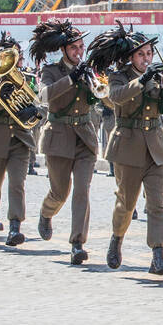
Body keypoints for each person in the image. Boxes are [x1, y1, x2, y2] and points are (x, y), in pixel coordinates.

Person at [89, 24, 163, 275]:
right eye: (141, 54)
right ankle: (116, 239)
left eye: (150, 53)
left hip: (155, 146)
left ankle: (158, 256)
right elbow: (117, 97)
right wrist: (142, 81)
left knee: (157, 204)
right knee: (126, 203)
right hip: (128, 145)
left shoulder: (158, 74)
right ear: (130, 57)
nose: (147, 58)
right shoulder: (119, 76)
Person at [32, 20, 99, 265]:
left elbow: (102, 96)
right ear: (63, 50)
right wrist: (71, 78)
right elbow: (44, 95)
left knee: (82, 191)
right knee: (60, 193)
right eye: (74, 48)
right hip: (58, 137)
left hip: (84, 138)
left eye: (81, 47)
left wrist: (94, 83)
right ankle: (45, 213)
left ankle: (77, 243)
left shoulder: (87, 69)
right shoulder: (51, 71)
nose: (79, 52)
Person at [0, 35, 41, 247]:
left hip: (19, 138)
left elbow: (36, 102)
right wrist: (1, 99)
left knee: (17, 183)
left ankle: (15, 227)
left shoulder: (24, 77)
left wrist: (32, 109)